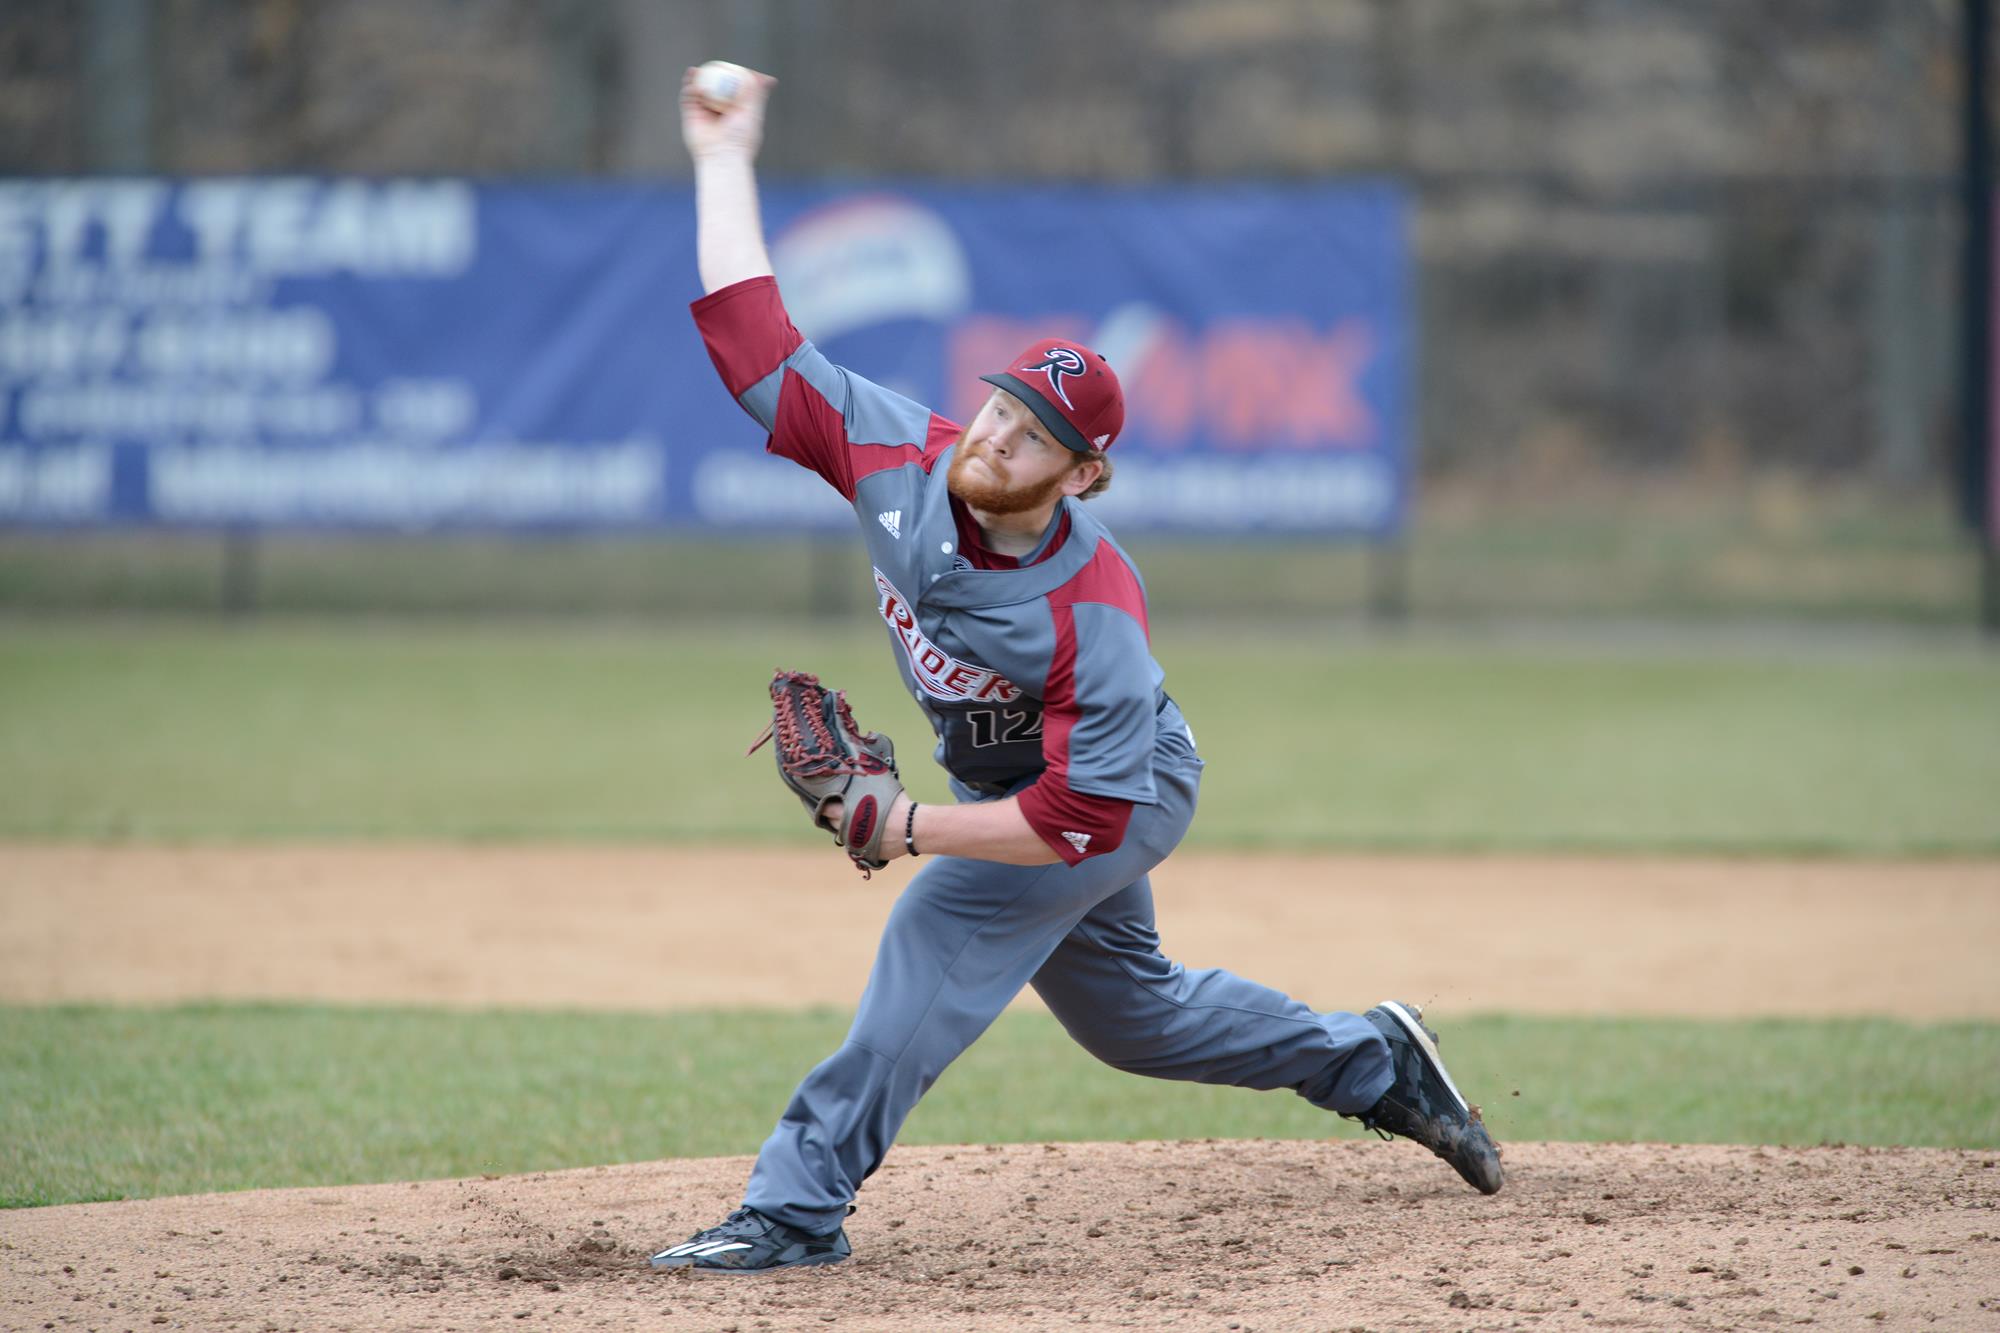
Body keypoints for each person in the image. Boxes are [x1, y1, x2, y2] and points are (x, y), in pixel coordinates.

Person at [650, 65, 1503, 1275]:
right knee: (1133, 1020)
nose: (996, 436)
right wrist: (721, 155)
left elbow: (1071, 818)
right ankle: (1372, 1059)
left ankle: (793, 1209)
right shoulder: (895, 446)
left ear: (1080, 474)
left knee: (933, 943)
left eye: (1034, 436)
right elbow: (750, 339)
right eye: (998, 408)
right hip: (1027, 783)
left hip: (1117, 788)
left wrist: (907, 824)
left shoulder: (1088, 611)